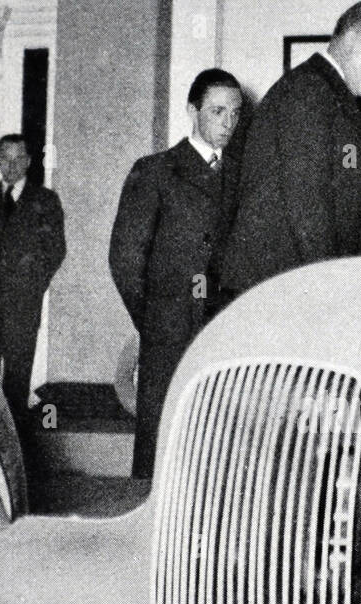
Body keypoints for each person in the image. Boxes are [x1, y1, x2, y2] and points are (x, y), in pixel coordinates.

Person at [218, 1, 361, 298]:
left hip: (292, 283)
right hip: (277, 289)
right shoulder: (309, 92)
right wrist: (332, 292)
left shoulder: (328, 93)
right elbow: (308, 203)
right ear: (351, 38)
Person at [109, 68, 243, 479]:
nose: (228, 123)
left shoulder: (240, 177)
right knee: (162, 453)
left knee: (217, 447)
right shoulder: (155, 171)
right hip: (169, 331)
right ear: (192, 110)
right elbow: (125, 259)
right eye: (217, 111)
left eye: (235, 113)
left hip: (222, 328)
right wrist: (155, 321)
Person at [0, 134, 66, 422]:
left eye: (18, 158)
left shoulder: (44, 201)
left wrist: (32, 286)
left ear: (29, 161)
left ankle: (16, 435)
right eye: (5, 159)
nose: (11, 165)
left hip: (23, 303)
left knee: (18, 375)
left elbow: (55, 251)